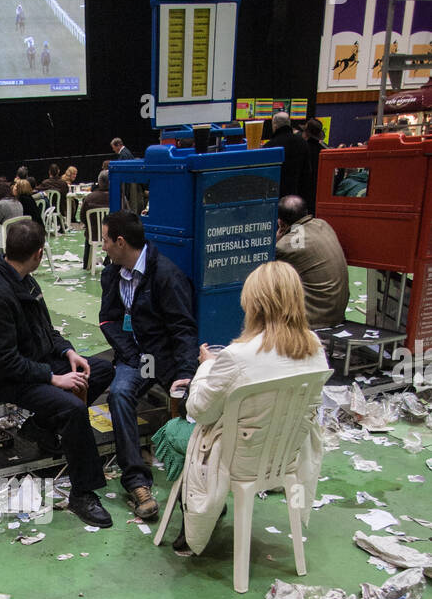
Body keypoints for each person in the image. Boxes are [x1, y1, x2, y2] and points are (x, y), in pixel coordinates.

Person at [172, 260, 329, 556]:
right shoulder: (314, 347)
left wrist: (206, 369)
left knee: (173, 431)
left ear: (254, 304)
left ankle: (193, 521)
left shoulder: (237, 355)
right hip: (285, 456)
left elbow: (199, 411)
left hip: (238, 460)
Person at [0, 218, 115, 528]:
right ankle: (83, 492)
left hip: (39, 362)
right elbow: (3, 362)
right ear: (38, 253)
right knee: (73, 407)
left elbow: (46, 329)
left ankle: (40, 427)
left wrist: (68, 352)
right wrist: (53, 378)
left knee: (100, 370)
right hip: (8, 377)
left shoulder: (25, 280)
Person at [99, 210, 197, 521]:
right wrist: (130, 354)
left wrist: (184, 377)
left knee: (193, 404)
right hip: (137, 358)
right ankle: (137, 482)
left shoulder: (166, 275)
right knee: (119, 394)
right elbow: (108, 320)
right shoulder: (112, 272)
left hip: (163, 358)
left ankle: (199, 479)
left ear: (120, 241)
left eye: (105, 240)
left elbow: (183, 329)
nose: (102, 247)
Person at [274, 195, 349, 329]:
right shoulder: (323, 224)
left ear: (280, 223)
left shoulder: (283, 246)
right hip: (337, 313)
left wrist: (277, 239)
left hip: (316, 319)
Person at [264, 112, 314, 206]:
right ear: (289, 124)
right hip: (298, 196)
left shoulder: (269, 147)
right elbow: (307, 172)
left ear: (274, 125)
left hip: (277, 198)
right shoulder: (302, 143)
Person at [80, 171, 110, 269]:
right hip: (112, 233)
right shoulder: (118, 197)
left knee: (88, 234)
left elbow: (82, 217)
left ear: (99, 182)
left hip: (93, 234)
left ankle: (86, 264)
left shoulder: (89, 198)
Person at [301, 117, 326, 211]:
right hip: (317, 194)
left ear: (306, 133)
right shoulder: (322, 151)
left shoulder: (302, 149)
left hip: (303, 194)